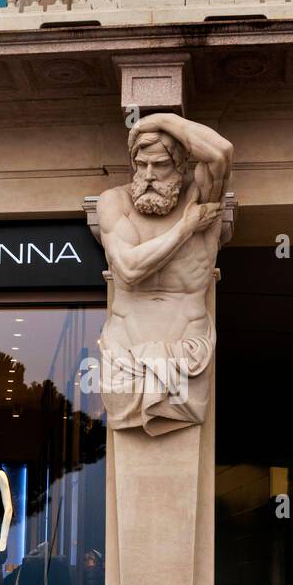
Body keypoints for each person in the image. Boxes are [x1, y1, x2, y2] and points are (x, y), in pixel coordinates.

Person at [95, 114, 233, 436]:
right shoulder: (114, 202)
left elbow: (220, 152)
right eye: (141, 165)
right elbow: (128, 269)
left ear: (182, 164)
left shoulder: (200, 197)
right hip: (123, 354)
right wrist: (185, 228)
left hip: (187, 354)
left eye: (160, 165)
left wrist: (161, 118)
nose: (148, 175)